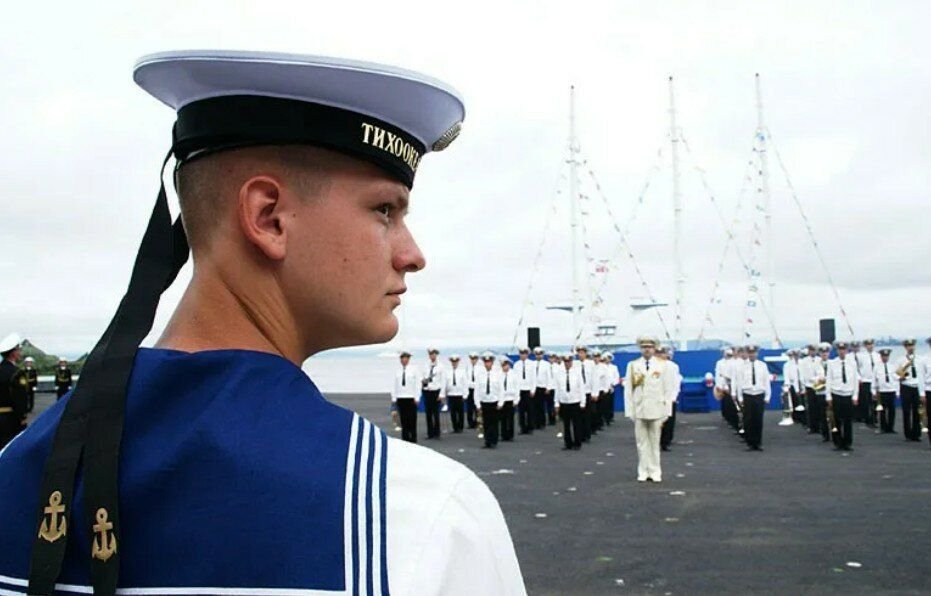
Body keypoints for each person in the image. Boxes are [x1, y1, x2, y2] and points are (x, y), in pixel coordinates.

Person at [0, 51, 525, 596]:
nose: (412, 255)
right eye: (385, 211)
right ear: (269, 218)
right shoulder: (416, 514)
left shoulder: (18, 467)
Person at [623, 336, 675, 482]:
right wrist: (629, 411)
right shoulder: (632, 365)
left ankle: (655, 470)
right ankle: (643, 470)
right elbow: (628, 390)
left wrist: (667, 411)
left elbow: (667, 390)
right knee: (641, 443)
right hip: (639, 409)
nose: (647, 349)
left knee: (654, 441)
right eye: (644, 347)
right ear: (640, 349)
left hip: (657, 409)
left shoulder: (663, 365)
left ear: (654, 349)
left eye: (650, 347)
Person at [735, 344, 771, 451]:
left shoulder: (762, 365)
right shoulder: (741, 366)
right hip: (748, 394)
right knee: (748, 419)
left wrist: (768, 395)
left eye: (754, 353)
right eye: (750, 353)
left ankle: (758, 442)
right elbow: (739, 383)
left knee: (758, 419)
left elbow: (766, 381)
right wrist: (740, 397)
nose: (752, 355)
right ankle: (750, 442)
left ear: (757, 353)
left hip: (759, 394)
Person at [826, 341, 859, 451]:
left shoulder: (852, 363)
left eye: (844, 349)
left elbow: (855, 380)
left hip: (848, 394)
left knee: (848, 420)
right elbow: (828, 380)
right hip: (836, 394)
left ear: (846, 350)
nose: (842, 352)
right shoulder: (832, 363)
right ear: (837, 351)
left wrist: (855, 395)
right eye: (840, 350)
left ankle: (847, 443)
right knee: (836, 420)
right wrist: (828, 396)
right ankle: (838, 442)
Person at [0, 334, 29, 450]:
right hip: (10, 419)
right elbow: (20, 399)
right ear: (13, 353)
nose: (20, 352)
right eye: (19, 350)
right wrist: (23, 417)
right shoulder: (16, 373)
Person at [897, 338, 927, 442]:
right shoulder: (901, 360)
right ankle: (907, 434)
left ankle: (916, 434)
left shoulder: (920, 359)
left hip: (917, 387)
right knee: (906, 411)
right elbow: (895, 374)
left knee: (917, 411)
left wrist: (922, 391)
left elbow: (923, 375)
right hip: (906, 386)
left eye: (912, 345)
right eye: (908, 346)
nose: (911, 347)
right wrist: (901, 376)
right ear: (905, 347)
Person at [554, 352, 585, 450]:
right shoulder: (559, 373)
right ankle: (568, 443)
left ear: (572, 362)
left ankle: (577, 443)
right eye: (565, 361)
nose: (567, 363)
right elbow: (557, 389)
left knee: (576, 424)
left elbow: (581, 388)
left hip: (575, 401)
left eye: (569, 361)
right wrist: (556, 402)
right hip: (564, 402)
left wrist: (583, 401)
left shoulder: (577, 372)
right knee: (566, 425)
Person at [474, 352, 503, 449]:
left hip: (494, 401)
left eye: (489, 362)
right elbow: (477, 390)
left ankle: (494, 441)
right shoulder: (480, 375)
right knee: (486, 423)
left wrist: (501, 402)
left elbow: (501, 389)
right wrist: (477, 403)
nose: (487, 364)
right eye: (486, 362)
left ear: (492, 363)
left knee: (494, 423)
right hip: (484, 401)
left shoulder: (497, 374)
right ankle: (487, 441)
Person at [391, 350, 420, 443]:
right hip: (400, 397)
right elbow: (394, 385)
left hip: (411, 397)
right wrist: (394, 398)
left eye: (406, 358)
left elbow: (417, 384)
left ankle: (413, 439)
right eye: (403, 358)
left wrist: (417, 397)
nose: (404, 360)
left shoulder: (414, 370)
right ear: (400, 360)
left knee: (412, 419)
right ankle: (405, 439)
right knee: (403, 420)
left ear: (409, 359)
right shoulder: (397, 371)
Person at [658, 345, 682, 452]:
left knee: (668, 421)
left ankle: (665, 442)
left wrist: (674, 396)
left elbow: (676, 382)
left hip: (669, 397)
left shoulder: (673, 366)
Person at [420, 348, 446, 440]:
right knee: (428, 414)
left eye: (434, 354)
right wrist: (423, 381)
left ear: (436, 355)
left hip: (436, 391)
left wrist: (441, 394)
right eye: (431, 354)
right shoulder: (426, 365)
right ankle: (430, 433)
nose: (432, 356)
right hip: (427, 391)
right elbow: (422, 377)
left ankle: (437, 433)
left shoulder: (441, 366)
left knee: (436, 414)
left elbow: (443, 381)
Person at [855, 339, 880, 427]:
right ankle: (867, 418)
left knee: (875, 401)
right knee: (866, 401)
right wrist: (859, 378)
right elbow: (856, 368)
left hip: (875, 381)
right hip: (865, 380)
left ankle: (874, 418)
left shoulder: (878, 355)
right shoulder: (860, 356)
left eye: (871, 344)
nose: (870, 346)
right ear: (865, 346)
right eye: (868, 344)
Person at [873, 348, 898, 434]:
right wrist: (873, 391)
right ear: (881, 356)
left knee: (892, 410)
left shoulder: (893, 366)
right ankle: (883, 427)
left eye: (887, 356)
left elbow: (896, 379)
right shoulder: (877, 367)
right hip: (882, 391)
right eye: (883, 356)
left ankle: (891, 427)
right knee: (882, 410)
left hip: (891, 390)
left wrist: (897, 392)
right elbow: (874, 380)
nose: (885, 358)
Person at [715, 348, 738, 430]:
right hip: (722, 384)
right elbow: (718, 374)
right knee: (724, 402)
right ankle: (726, 416)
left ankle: (732, 420)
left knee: (731, 403)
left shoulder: (734, 362)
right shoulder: (719, 362)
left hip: (731, 385)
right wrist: (719, 385)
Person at [513, 347, 534, 435]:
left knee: (529, 410)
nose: (523, 355)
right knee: (521, 411)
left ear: (527, 354)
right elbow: (514, 379)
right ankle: (522, 427)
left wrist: (533, 389)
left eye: (524, 353)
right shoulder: (516, 365)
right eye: (521, 353)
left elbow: (534, 378)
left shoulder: (531, 364)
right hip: (519, 389)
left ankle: (530, 427)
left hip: (528, 389)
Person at [445, 355, 467, 433]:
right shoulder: (447, 372)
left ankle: (460, 427)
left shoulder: (462, 371)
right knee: (453, 412)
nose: (454, 363)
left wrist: (465, 394)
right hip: (451, 394)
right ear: (451, 363)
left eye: (455, 362)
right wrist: (444, 393)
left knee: (460, 411)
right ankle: (455, 427)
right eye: (453, 362)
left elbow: (465, 384)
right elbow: (445, 383)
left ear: (458, 362)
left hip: (459, 394)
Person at [532, 347, 552, 429]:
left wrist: (548, 387)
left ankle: (542, 423)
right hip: (534, 387)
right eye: (537, 354)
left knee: (541, 406)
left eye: (540, 354)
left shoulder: (546, 364)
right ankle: (535, 423)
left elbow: (549, 377)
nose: (538, 356)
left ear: (542, 355)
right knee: (534, 406)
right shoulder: (532, 364)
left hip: (542, 387)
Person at [499, 357, 518, 441]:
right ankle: (503, 435)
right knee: (502, 418)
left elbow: (517, 388)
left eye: (506, 365)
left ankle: (510, 435)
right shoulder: (498, 374)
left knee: (510, 418)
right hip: (502, 400)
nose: (505, 367)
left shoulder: (514, 374)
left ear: (509, 365)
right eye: (503, 365)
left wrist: (516, 399)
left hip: (511, 399)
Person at [465, 352, 480, 429]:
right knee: (469, 407)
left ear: (477, 359)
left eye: (474, 359)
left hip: (477, 389)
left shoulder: (480, 368)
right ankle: (470, 423)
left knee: (477, 406)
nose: (473, 360)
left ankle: (478, 422)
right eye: (471, 359)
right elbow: (466, 378)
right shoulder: (467, 367)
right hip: (469, 389)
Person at [547, 352, 560, 425]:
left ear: (555, 358)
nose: (551, 359)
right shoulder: (546, 366)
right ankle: (550, 419)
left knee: (556, 403)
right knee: (549, 404)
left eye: (552, 358)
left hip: (556, 388)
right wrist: (547, 387)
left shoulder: (558, 367)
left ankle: (555, 417)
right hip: (549, 388)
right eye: (550, 358)